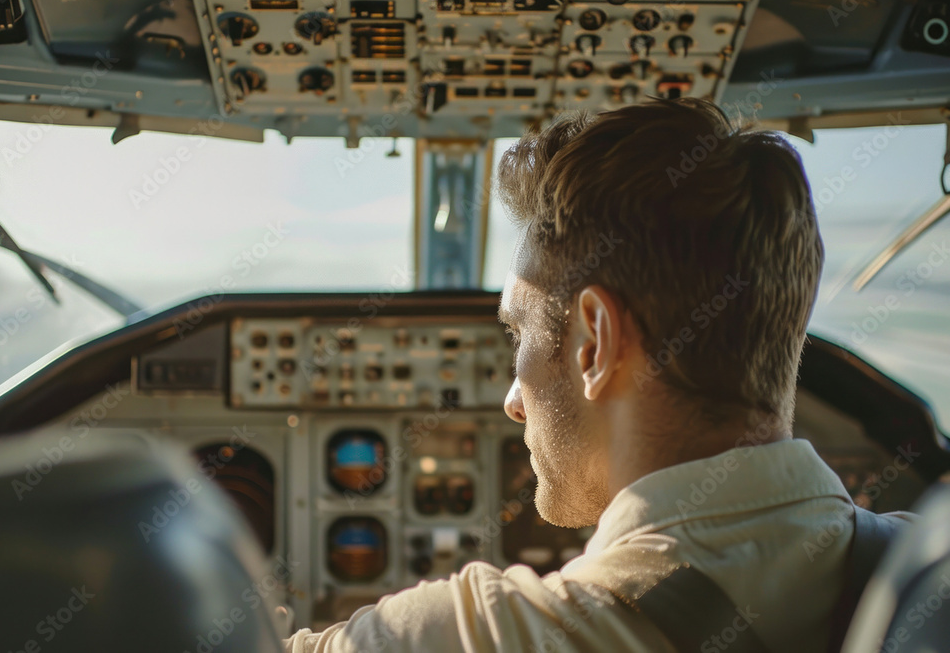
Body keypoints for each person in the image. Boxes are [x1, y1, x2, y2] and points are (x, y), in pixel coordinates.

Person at [283, 98, 912, 652]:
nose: (512, 401)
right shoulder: (928, 569)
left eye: (518, 335)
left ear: (595, 344)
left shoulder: (480, 636)